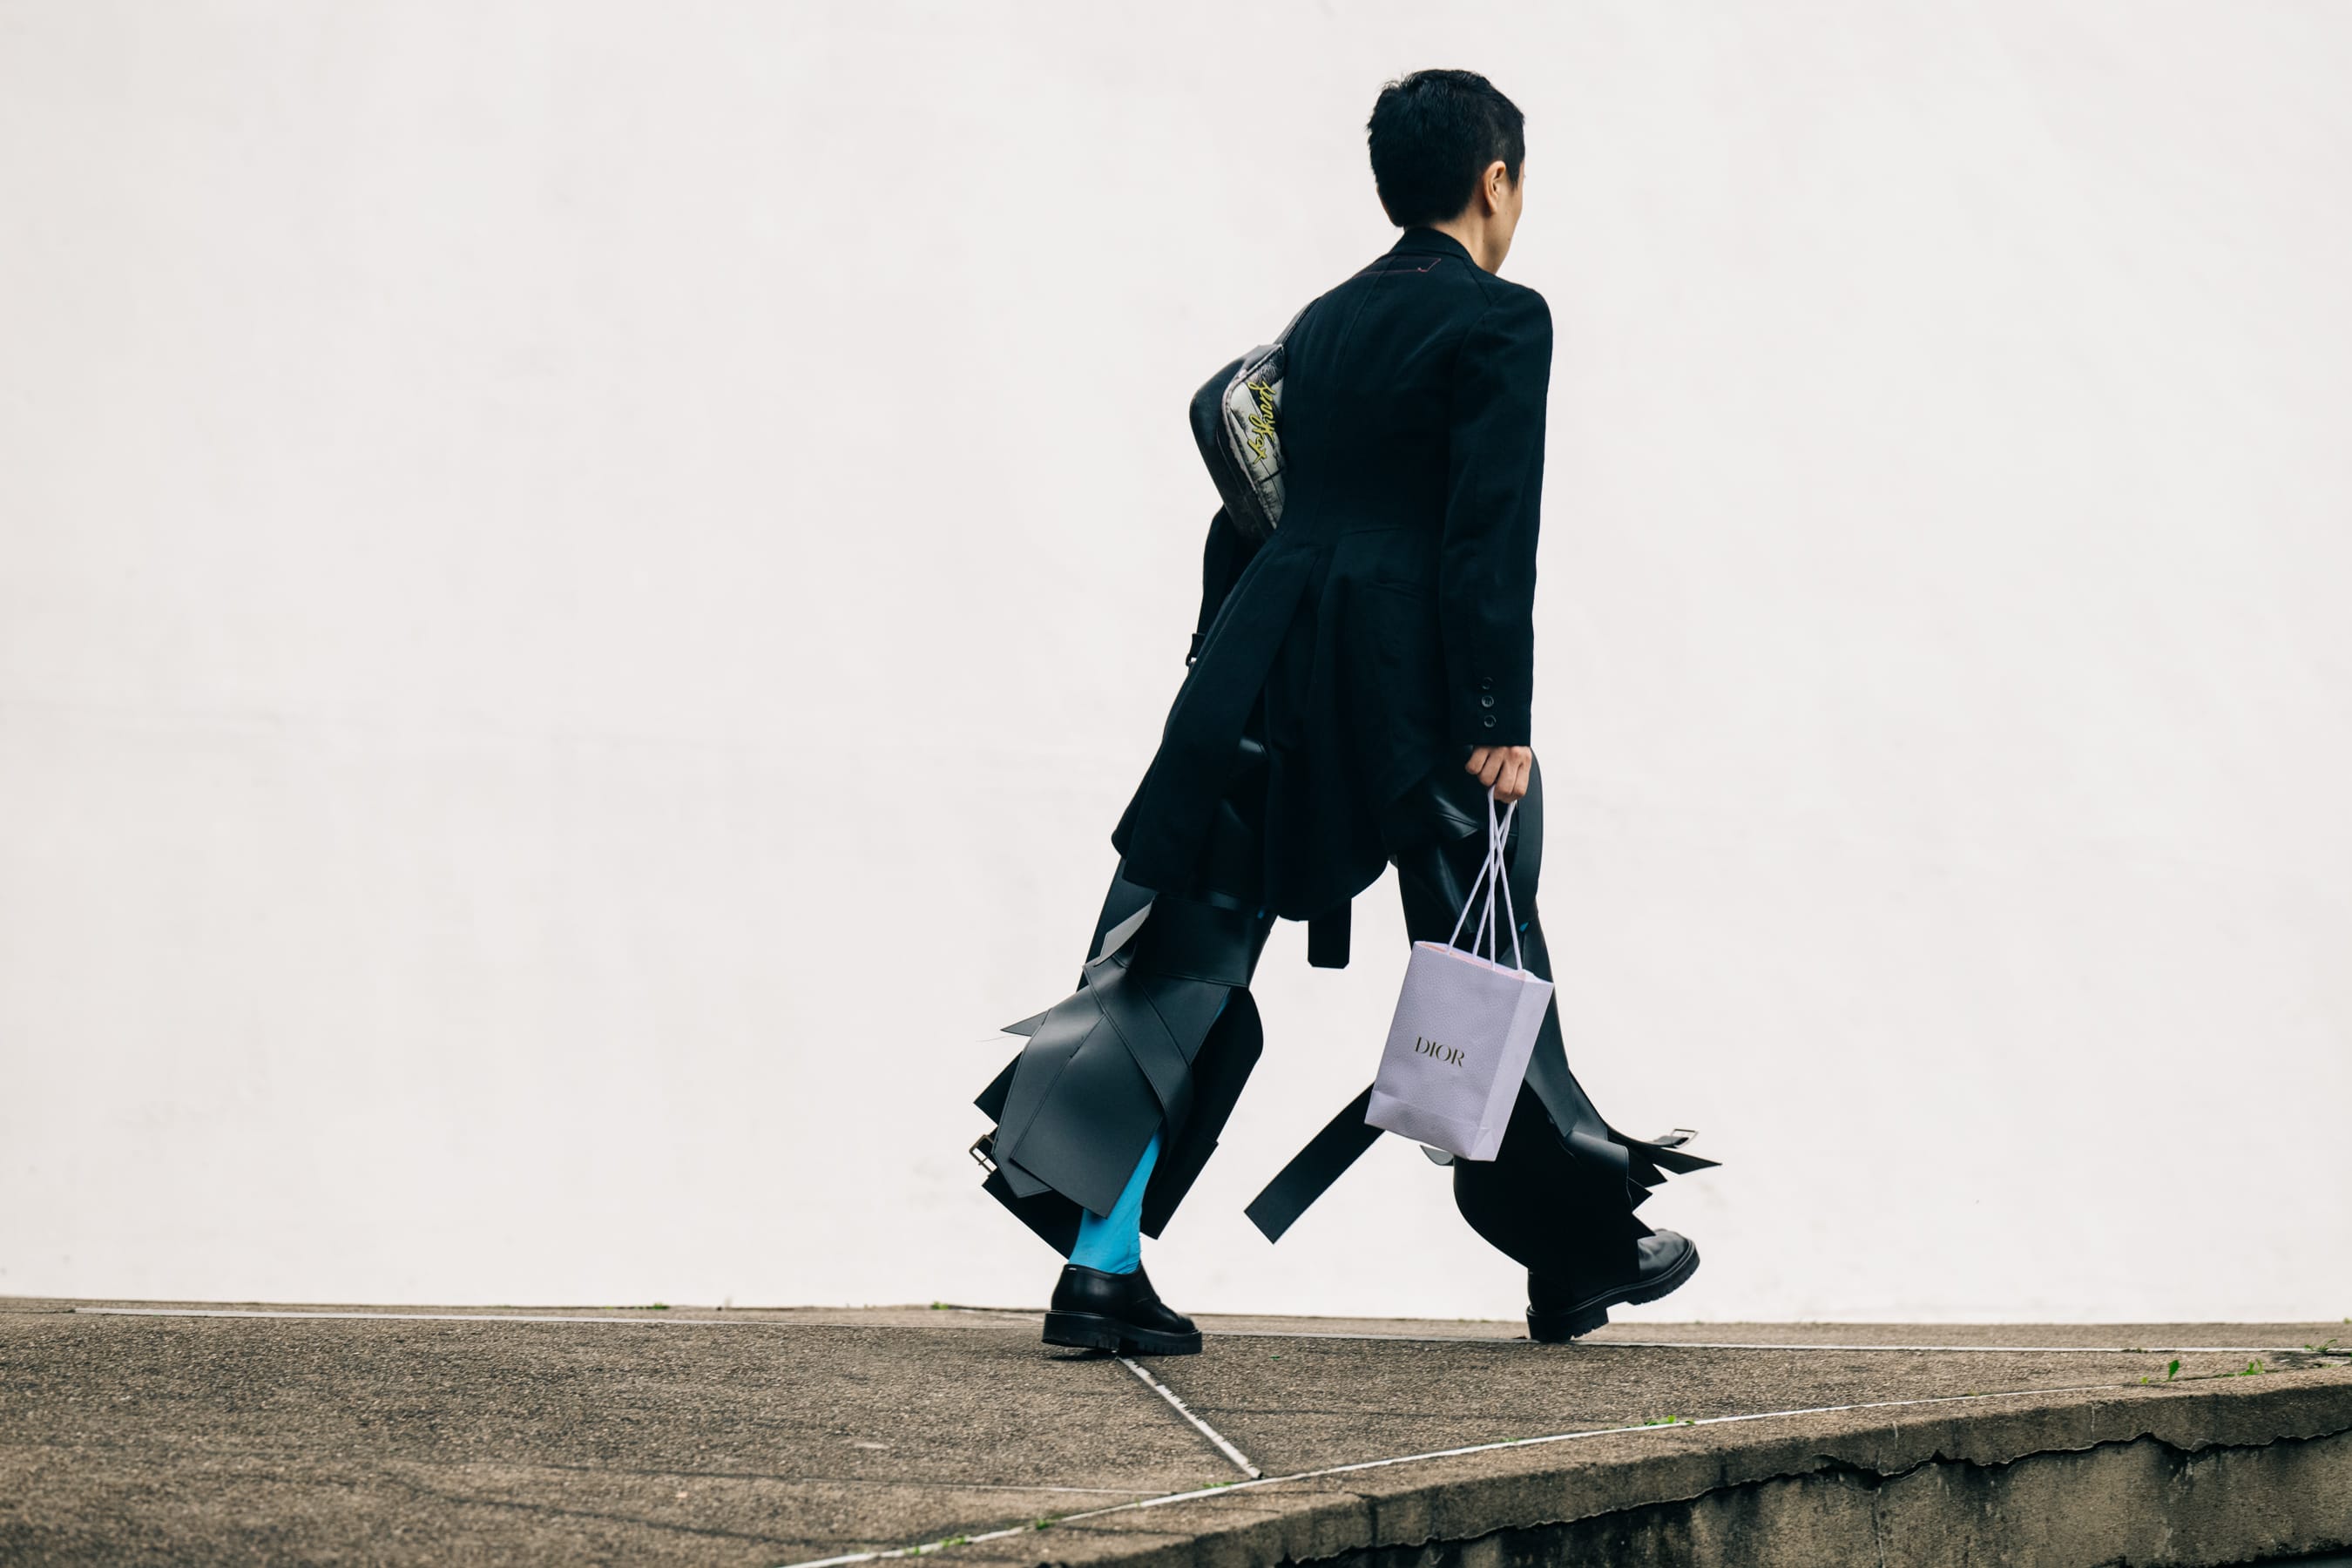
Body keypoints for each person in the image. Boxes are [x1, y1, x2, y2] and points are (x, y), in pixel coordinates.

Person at [970, 68, 1714, 1357]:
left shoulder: (1316, 326)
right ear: (1497, 182)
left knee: (1184, 958)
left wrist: (1216, 661)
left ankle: (1100, 1268)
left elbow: (1247, 512)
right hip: (1410, 684)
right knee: (1485, 954)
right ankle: (1574, 1254)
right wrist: (1497, 710)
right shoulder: (1502, 319)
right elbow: (1489, 530)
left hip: (1267, 657)